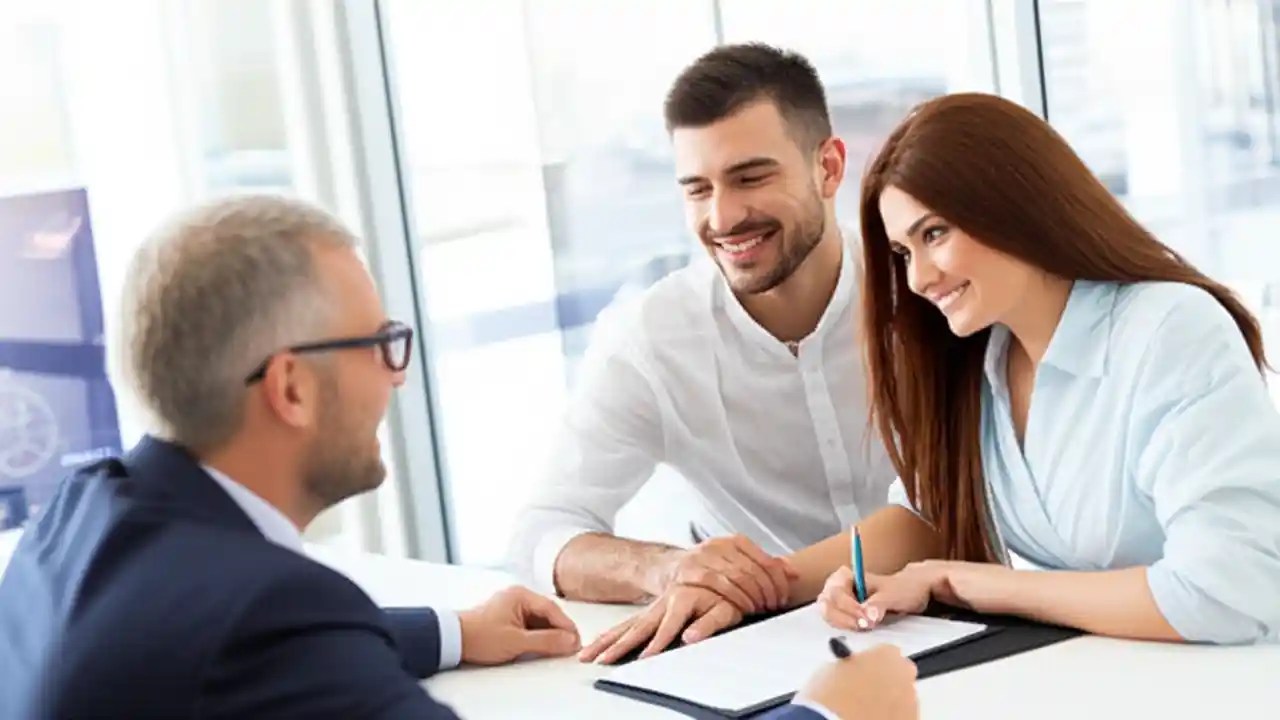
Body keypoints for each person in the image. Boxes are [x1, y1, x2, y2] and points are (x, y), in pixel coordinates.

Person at [0, 195, 914, 719]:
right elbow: (271, 639)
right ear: (290, 388)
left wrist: (451, 631)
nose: (397, 381)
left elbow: (248, 647)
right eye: (379, 344)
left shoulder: (82, 516)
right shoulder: (265, 615)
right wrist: (828, 716)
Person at [796, 92, 1280, 643]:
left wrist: (969, 582)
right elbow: (925, 516)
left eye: (934, 234)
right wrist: (820, 580)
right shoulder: (980, 361)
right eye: (904, 253)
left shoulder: (1169, 330)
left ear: (1014, 206)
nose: (918, 280)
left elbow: (1223, 593)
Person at [511, 43, 895, 662]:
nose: (723, 216)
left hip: (958, 622)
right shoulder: (651, 337)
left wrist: (755, 587)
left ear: (828, 168)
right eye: (697, 188)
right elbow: (543, 531)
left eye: (750, 178)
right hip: (759, 652)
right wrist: (665, 569)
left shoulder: (921, 294)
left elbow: (938, 513)